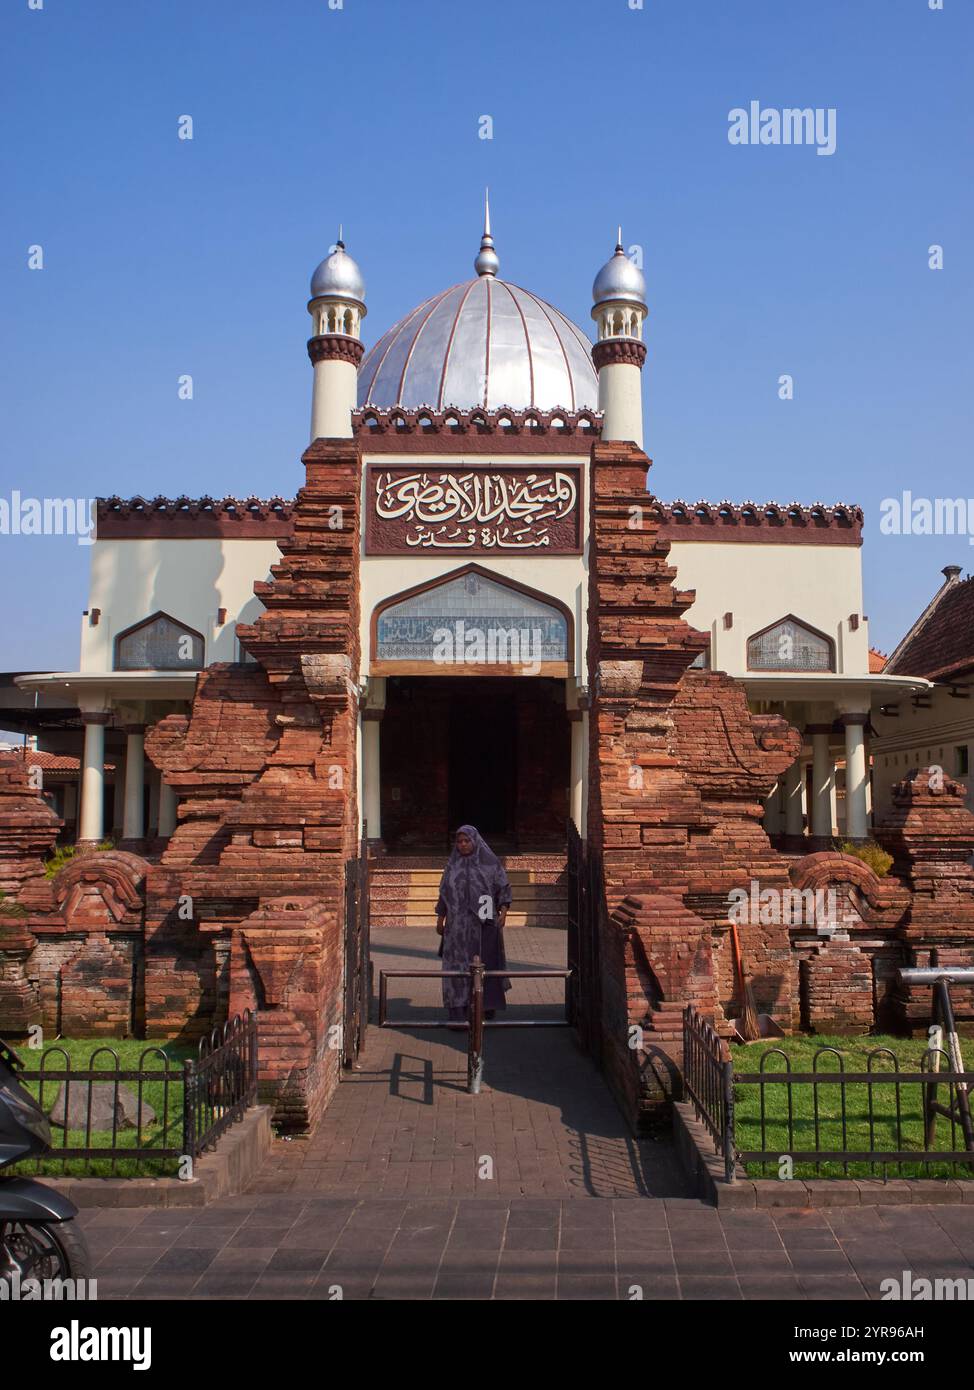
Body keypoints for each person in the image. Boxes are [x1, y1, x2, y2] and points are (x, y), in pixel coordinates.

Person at [435, 825, 512, 1022]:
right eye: (459, 841)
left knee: (483, 963)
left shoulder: (490, 863)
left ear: (474, 841)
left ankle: (485, 1007)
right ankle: (457, 1010)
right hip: (457, 927)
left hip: (483, 925)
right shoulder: (452, 865)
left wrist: (503, 911)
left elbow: (502, 887)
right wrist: (440, 918)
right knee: (457, 966)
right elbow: (444, 893)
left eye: (466, 841)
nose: (462, 845)